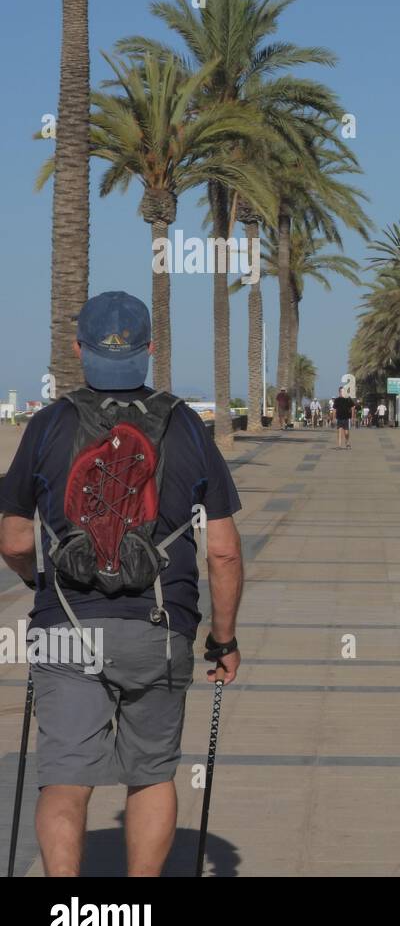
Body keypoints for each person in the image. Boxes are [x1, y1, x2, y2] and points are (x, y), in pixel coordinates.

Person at [0, 291, 243, 877]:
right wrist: (223, 639)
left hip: (67, 630)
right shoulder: (186, 424)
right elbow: (224, 551)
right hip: (160, 629)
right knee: (151, 773)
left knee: (63, 779)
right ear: (151, 349)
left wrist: (43, 583)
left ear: (77, 349)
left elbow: (12, 539)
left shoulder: (48, 424)